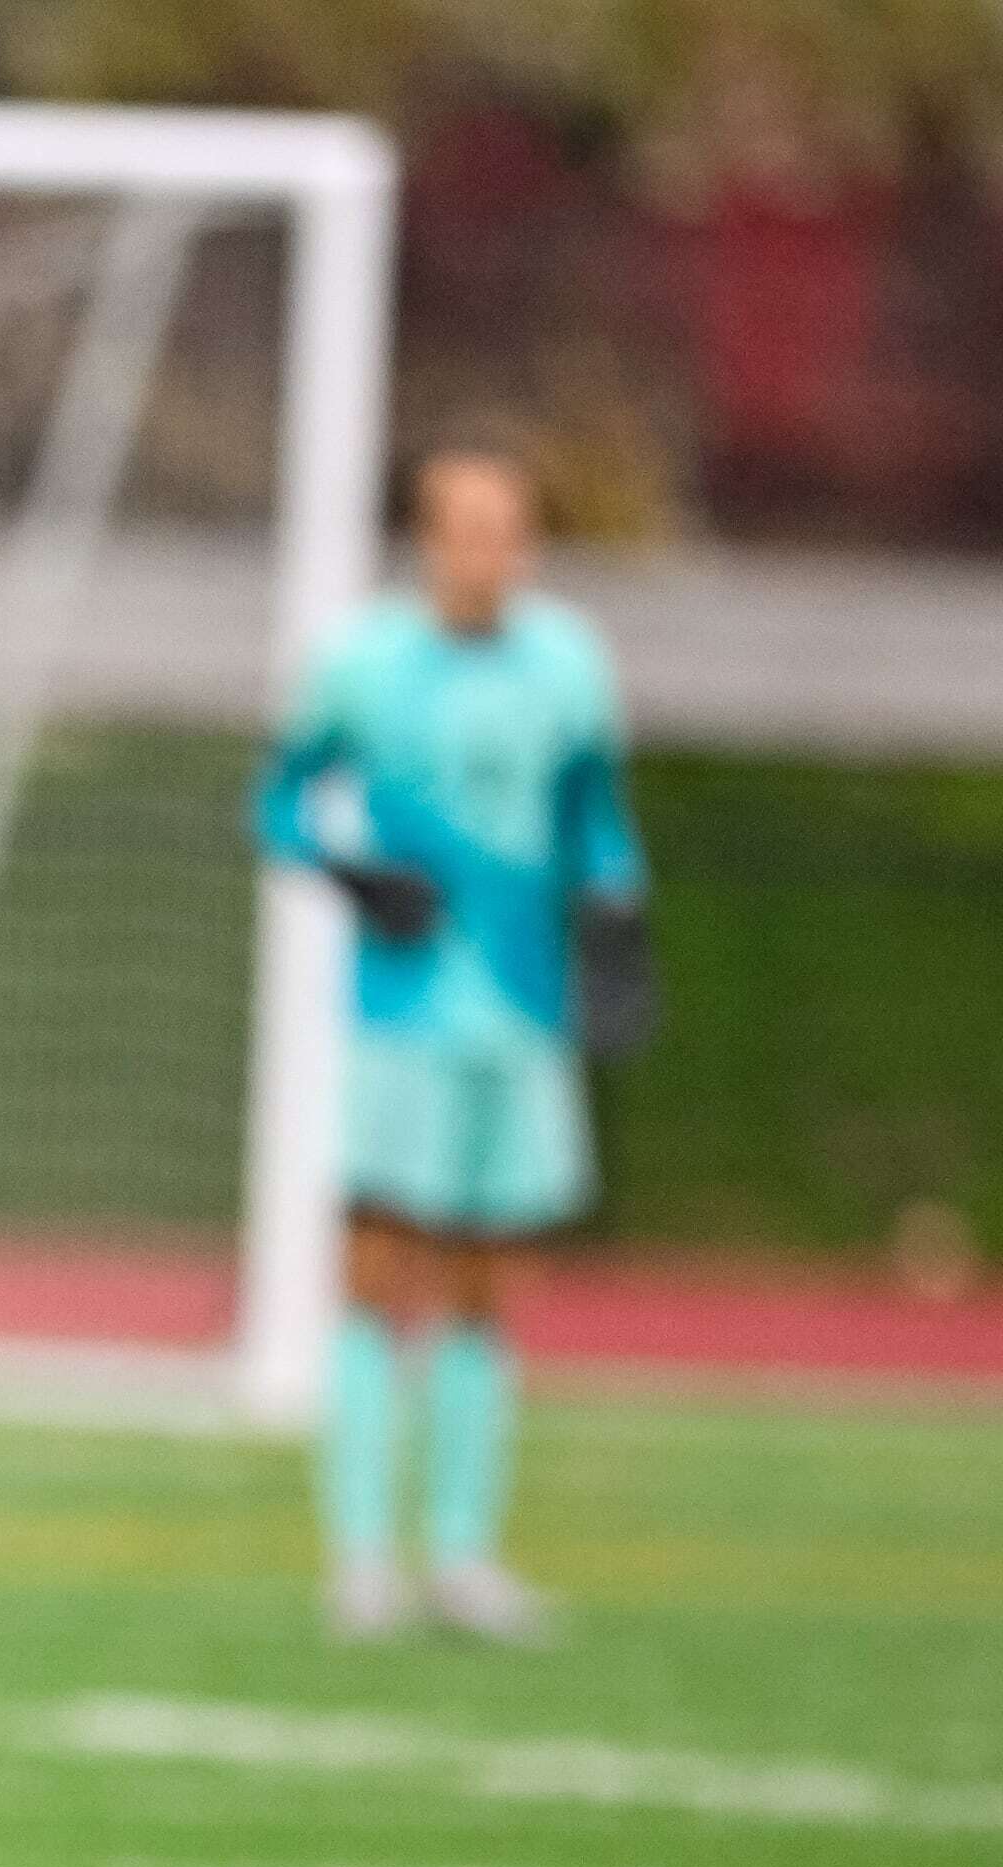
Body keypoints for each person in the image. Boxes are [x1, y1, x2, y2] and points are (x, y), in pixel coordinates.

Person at [254, 426, 652, 1644]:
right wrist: (351, 870)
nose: (487, 554)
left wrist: (615, 920)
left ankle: (463, 1555)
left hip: (522, 1011)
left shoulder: (568, 665)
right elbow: (277, 801)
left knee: (488, 1280)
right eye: (465, 530)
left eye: (507, 533)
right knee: (381, 1267)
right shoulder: (361, 665)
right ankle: (360, 1557)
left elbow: (594, 816)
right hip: (404, 1011)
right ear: (426, 540)